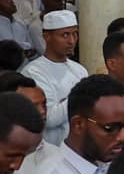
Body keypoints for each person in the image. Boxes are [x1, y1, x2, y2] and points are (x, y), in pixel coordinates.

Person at [26, 10, 87, 147]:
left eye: (74, 34)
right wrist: (82, 95)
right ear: (47, 36)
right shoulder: (34, 72)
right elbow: (50, 119)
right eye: (65, 35)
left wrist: (65, 101)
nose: (71, 41)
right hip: (50, 150)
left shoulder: (79, 70)